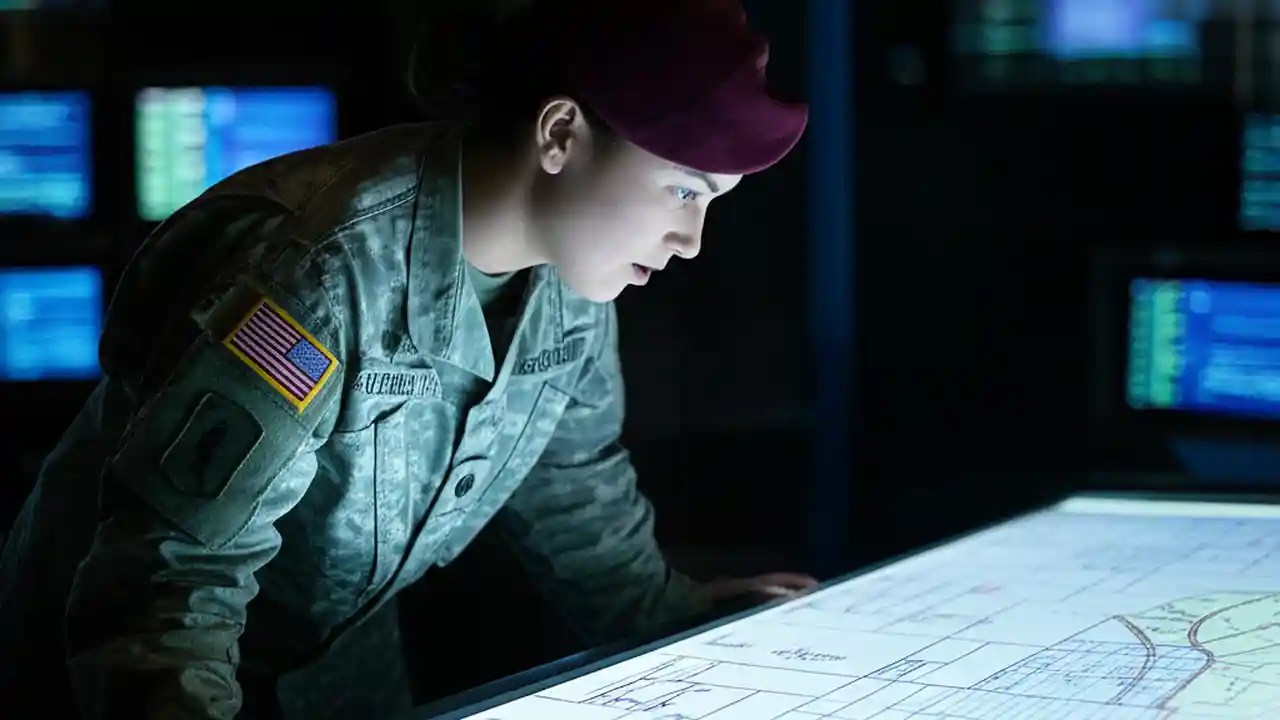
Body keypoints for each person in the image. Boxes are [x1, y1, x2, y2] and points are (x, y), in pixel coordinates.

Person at [0, 0, 816, 717]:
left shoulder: (572, 278)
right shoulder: (320, 267)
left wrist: (672, 613)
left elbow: (575, 492)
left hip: (334, 670)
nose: (691, 240)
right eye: (682, 190)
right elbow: (169, 584)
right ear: (561, 132)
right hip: (113, 678)